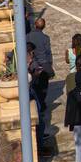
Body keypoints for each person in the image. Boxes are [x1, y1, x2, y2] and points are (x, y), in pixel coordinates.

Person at [28, 17, 55, 147]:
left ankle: (40, 102)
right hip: (42, 65)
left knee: (36, 85)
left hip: (34, 65)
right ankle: (41, 103)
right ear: (43, 27)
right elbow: (48, 53)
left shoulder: (27, 36)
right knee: (43, 87)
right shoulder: (45, 38)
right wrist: (49, 65)